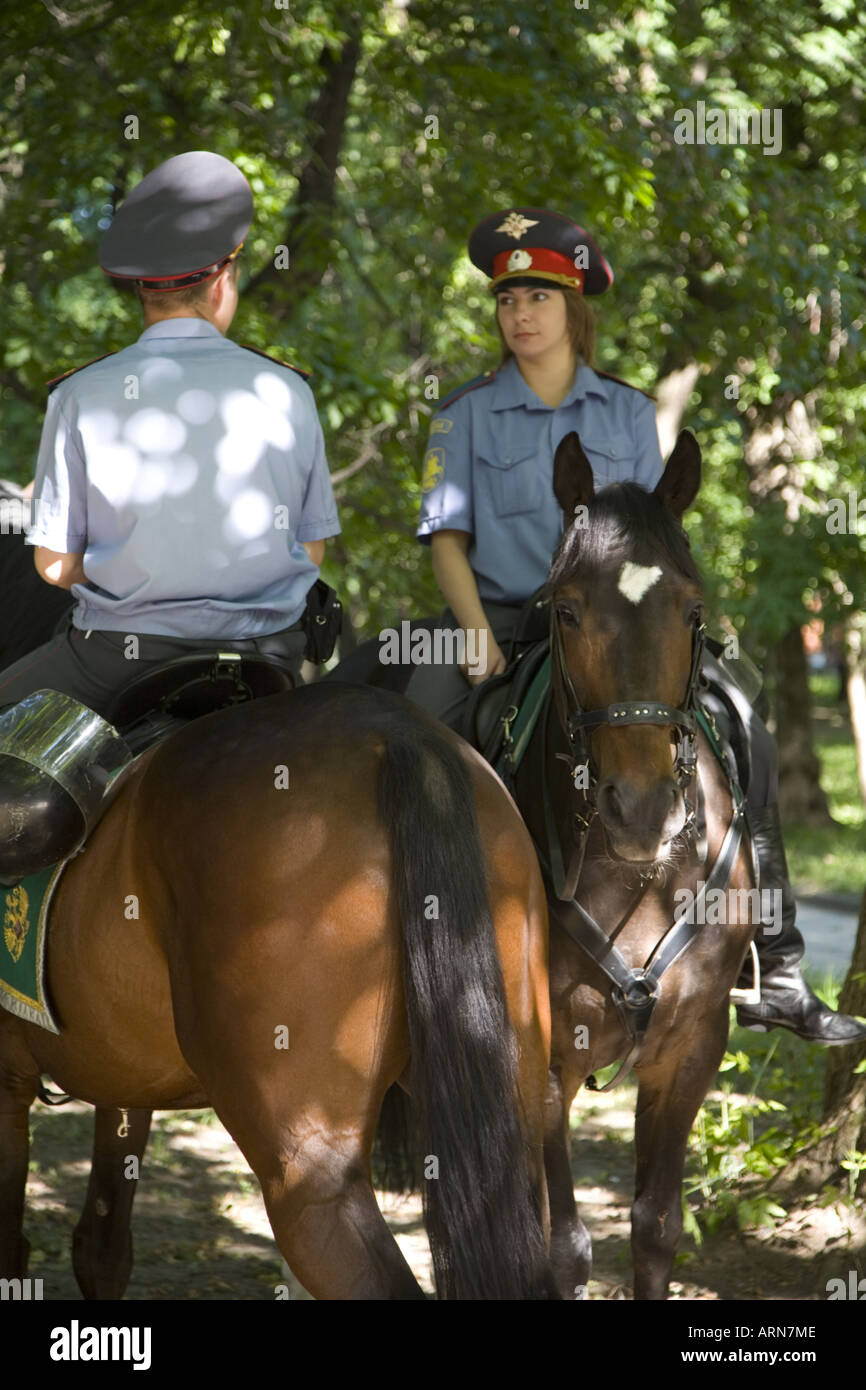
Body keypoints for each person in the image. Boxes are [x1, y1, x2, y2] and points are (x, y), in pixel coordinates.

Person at [408, 206, 865, 1047]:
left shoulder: (622, 412)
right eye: (508, 300)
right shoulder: (463, 414)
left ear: (575, 309)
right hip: (503, 620)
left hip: (620, 630)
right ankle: (419, 964)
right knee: (414, 729)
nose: (521, 315)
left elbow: (654, 534)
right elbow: (446, 541)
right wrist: (471, 632)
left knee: (747, 722)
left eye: (540, 297)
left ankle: (781, 965)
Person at [0, 149, 340, 719]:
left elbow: (53, 566)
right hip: (267, 655)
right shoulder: (287, 391)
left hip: (118, 656)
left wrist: (127, 571)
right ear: (223, 282)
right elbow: (311, 548)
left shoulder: (80, 395)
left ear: (143, 291)